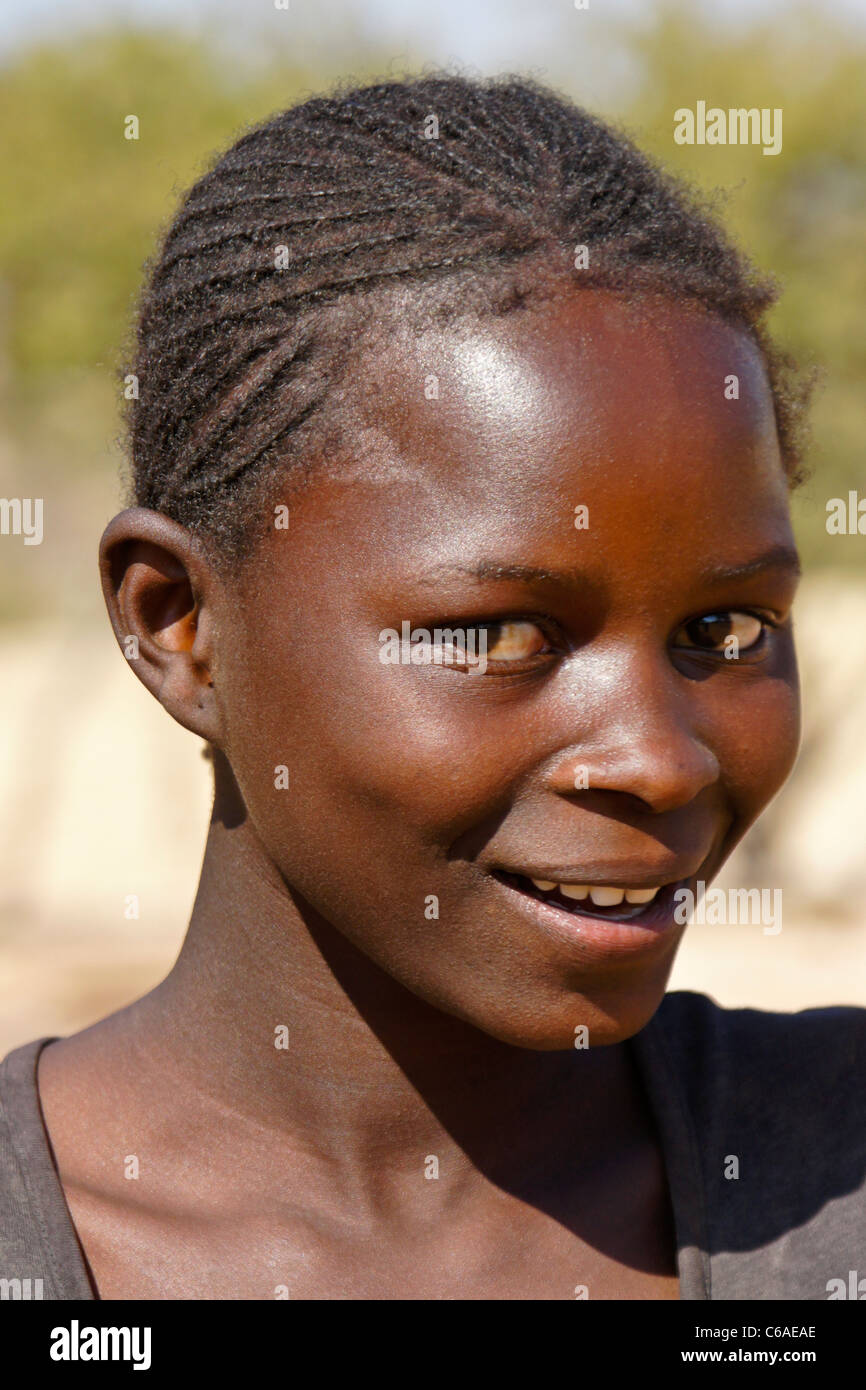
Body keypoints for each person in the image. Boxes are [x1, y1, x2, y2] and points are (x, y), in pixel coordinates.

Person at [1, 73, 863, 1301]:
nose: (662, 760)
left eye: (721, 628)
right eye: (502, 634)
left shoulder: (832, 1179)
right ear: (179, 626)